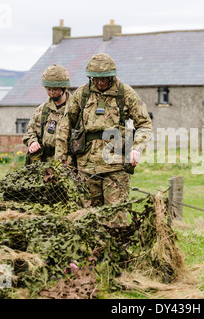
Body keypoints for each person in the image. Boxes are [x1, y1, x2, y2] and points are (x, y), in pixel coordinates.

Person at [55, 53, 153, 222]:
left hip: (115, 167)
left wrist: (137, 148)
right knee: (87, 215)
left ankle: (116, 247)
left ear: (111, 76)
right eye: (95, 79)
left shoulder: (126, 93)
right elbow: (65, 125)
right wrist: (61, 157)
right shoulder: (82, 93)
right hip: (86, 165)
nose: (99, 83)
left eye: (104, 79)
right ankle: (94, 248)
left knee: (116, 216)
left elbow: (144, 124)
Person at [23, 64, 72, 164]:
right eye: (48, 90)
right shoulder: (42, 110)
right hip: (45, 163)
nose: (52, 93)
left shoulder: (74, 109)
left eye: (55, 89)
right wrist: (33, 142)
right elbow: (30, 132)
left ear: (64, 88)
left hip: (68, 162)